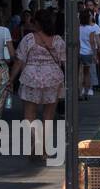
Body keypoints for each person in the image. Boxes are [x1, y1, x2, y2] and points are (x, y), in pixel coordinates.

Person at [13, 10, 65, 162]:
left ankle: (36, 145)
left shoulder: (28, 39)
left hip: (31, 78)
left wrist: (11, 78)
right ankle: (43, 150)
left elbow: (19, 60)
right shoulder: (57, 40)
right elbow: (64, 61)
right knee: (48, 116)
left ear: (37, 23)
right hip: (53, 78)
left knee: (29, 116)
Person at [76, 8, 100, 100]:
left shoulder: (78, 28)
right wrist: (94, 54)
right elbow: (92, 43)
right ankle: (86, 92)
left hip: (79, 52)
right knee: (87, 73)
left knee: (80, 73)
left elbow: (77, 41)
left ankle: (79, 93)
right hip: (88, 53)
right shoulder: (91, 29)